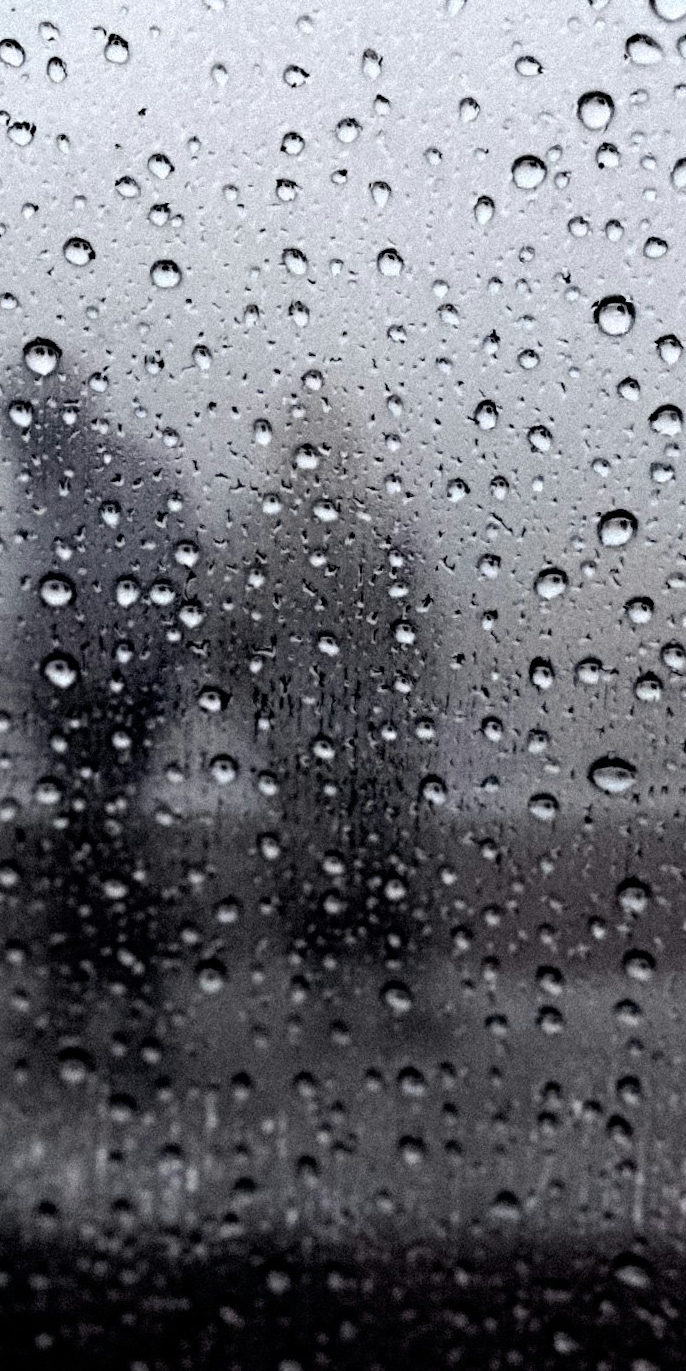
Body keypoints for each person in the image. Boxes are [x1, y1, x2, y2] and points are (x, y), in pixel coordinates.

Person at [206, 384, 434, 987]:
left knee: (309, 854)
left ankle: (323, 989)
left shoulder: (257, 533)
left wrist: (259, 709)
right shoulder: (380, 531)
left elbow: (231, 640)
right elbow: (417, 642)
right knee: (381, 858)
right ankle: (391, 988)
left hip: (300, 730)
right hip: (371, 728)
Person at [1, 369, 191, 1071]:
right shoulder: (82, 478)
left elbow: (104, 602)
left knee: (98, 851)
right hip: (102, 694)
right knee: (93, 850)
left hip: (106, 697)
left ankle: (116, 1013)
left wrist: (63, 678)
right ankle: (103, 1009)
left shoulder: (103, 482)